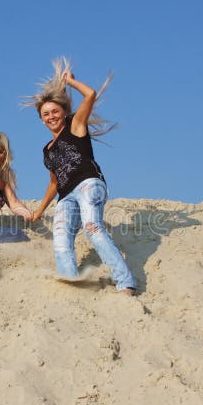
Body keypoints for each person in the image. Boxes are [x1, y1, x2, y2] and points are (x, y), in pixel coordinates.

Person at [27, 58, 137, 295]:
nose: (51, 116)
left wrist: (71, 82)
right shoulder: (46, 150)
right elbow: (54, 183)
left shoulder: (75, 125)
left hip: (88, 184)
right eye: (45, 114)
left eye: (55, 111)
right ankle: (72, 286)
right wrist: (39, 210)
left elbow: (90, 95)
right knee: (61, 241)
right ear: (41, 119)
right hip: (66, 196)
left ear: (64, 112)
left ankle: (125, 282)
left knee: (92, 228)